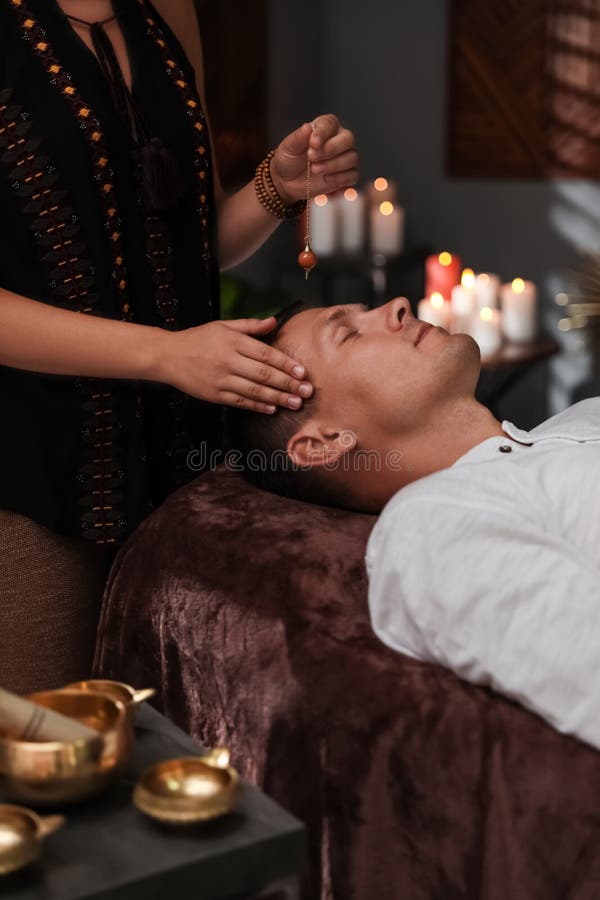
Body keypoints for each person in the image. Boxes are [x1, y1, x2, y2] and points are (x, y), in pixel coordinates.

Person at [0, 0, 359, 693]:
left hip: (183, 463)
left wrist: (278, 188)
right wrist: (164, 355)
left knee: (180, 744)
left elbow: (189, 246)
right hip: (32, 472)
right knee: (42, 756)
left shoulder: (166, 9)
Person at [226, 298, 600, 750]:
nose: (398, 304)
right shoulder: (435, 521)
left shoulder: (585, 413)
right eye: (349, 334)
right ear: (324, 442)